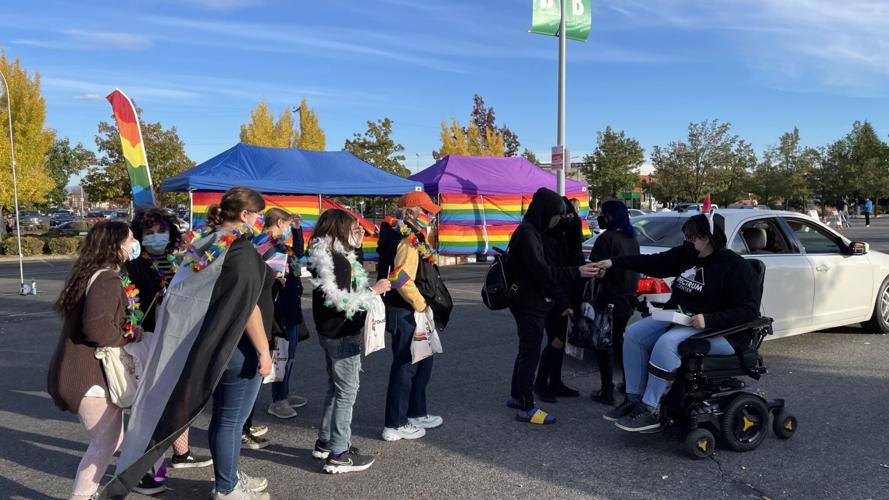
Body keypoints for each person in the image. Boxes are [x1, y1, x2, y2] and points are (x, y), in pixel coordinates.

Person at [592, 212, 759, 433]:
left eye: (691, 237)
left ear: (707, 237)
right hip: (681, 318)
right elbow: (654, 262)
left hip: (721, 331)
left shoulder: (735, 267)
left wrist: (708, 318)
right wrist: (614, 262)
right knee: (633, 335)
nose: (687, 242)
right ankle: (634, 400)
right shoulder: (688, 254)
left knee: (667, 343)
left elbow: (749, 311)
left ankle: (651, 409)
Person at [47, 221, 161, 499]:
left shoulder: (92, 273)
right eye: (130, 238)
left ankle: (86, 494)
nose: (134, 243)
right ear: (116, 244)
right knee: (105, 442)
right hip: (89, 376)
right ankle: (82, 496)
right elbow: (97, 329)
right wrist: (129, 336)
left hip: (78, 371)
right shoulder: (108, 278)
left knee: (108, 440)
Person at [127, 208, 213, 471]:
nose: (156, 237)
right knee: (152, 403)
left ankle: (181, 452)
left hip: (176, 336)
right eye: (149, 232)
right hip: (148, 339)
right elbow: (128, 302)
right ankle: (146, 469)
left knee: (178, 396)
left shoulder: (178, 262)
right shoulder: (133, 266)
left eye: (161, 231)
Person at [505, 188, 599, 425]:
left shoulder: (531, 231)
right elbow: (543, 272)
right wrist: (576, 271)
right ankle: (527, 406)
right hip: (528, 302)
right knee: (531, 353)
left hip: (526, 300)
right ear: (545, 211)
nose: (559, 220)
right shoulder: (529, 234)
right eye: (557, 215)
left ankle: (517, 396)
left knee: (525, 350)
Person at [308, 208, 391, 473]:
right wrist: (374, 291)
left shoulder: (323, 255)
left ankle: (326, 442)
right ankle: (339, 453)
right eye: (351, 227)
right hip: (342, 334)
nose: (355, 231)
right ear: (340, 229)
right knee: (346, 391)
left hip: (327, 332)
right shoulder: (339, 261)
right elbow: (343, 302)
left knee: (335, 387)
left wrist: (357, 245)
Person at [376, 192, 448, 441]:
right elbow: (401, 279)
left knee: (422, 361)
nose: (431, 217)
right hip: (406, 309)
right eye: (427, 212)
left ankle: (416, 412)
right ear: (413, 213)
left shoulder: (406, 235)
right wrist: (421, 305)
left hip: (409, 308)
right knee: (406, 365)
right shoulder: (406, 239)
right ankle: (394, 423)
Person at [588, 201, 641, 405]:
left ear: (610, 216)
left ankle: (606, 390)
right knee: (619, 341)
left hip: (608, 298)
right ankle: (629, 383)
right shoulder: (632, 239)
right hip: (627, 299)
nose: (601, 217)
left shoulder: (606, 239)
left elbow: (596, 270)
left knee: (604, 344)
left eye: (603, 214)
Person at [533, 196, 586, 403]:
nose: (568, 218)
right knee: (555, 340)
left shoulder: (568, 236)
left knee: (560, 341)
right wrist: (563, 301)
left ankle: (555, 381)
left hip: (567, 295)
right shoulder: (546, 237)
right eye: (564, 214)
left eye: (571, 214)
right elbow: (550, 273)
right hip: (553, 297)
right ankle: (541, 383)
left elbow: (576, 262)